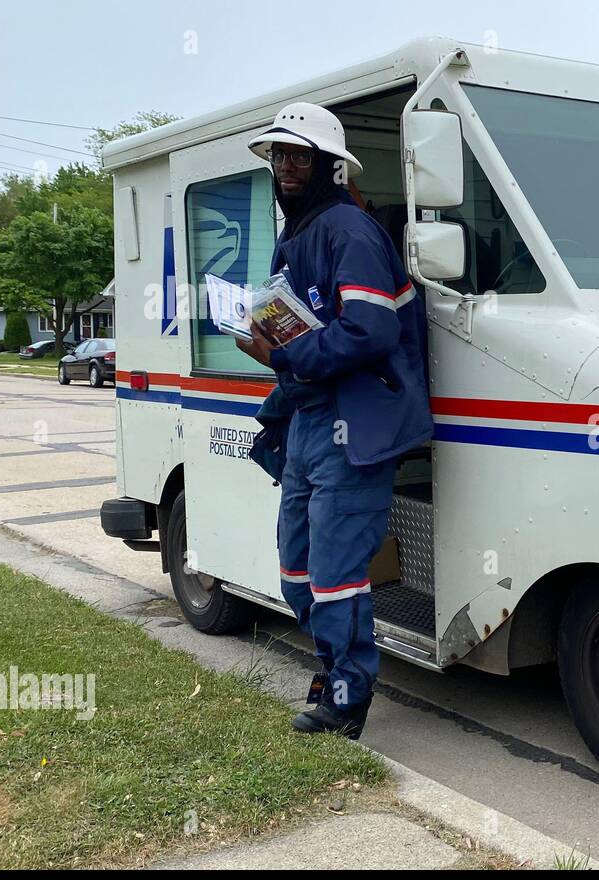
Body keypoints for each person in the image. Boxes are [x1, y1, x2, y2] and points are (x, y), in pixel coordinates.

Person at [240, 102, 432, 740]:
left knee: (337, 574)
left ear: (329, 165)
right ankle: (333, 668)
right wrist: (270, 355)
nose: (287, 167)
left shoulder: (348, 229)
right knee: (297, 568)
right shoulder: (297, 234)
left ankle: (346, 700)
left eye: (300, 156)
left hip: (355, 429)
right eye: (279, 156)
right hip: (308, 423)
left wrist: (284, 351)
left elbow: (371, 330)